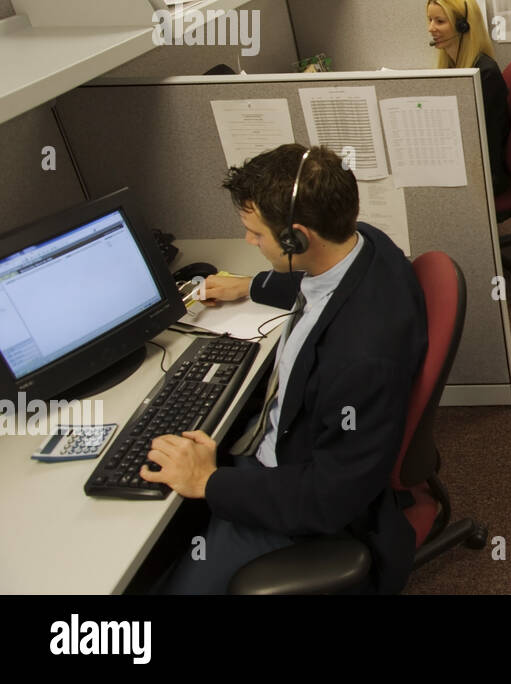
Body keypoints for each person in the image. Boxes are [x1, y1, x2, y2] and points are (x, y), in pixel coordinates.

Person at [148, 144, 427, 593]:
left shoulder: (360, 358)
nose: (248, 242)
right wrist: (252, 285)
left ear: (297, 238)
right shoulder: (366, 242)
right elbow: (317, 282)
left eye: (256, 234)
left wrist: (210, 482)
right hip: (287, 453)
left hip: (300, 501)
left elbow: (329, 497)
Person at [427, 0, 511, 195]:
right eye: (430, 20)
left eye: (440, 21)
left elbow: (487, 144)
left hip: (484, 174)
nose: (431, 28)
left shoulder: (484, 74)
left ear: (463, 26)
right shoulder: (454, 65)